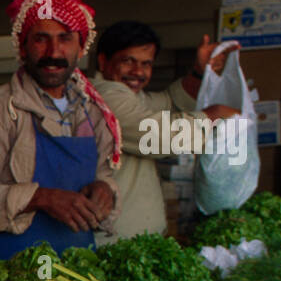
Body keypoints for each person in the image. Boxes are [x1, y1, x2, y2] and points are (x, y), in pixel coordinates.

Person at [0, 0, 121, 271]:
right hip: (9, 275)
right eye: (41, 39)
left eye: (65, 38)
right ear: (23, 47)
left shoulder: (94, 111)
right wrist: (40, 197)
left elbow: (104, 173)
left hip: (80, 274)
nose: (53, 52)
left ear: (81, 47)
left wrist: (105, 189)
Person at [92, 21, 240, 242]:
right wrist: (210, 117)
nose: (138, 72)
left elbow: (169, 102)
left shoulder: (130, 96)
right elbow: (154, 136)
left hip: (136, 241)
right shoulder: (104, 95)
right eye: (128, 61)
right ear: (103, 61)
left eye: (146, 64)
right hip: (115, 243)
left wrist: (199, 73)